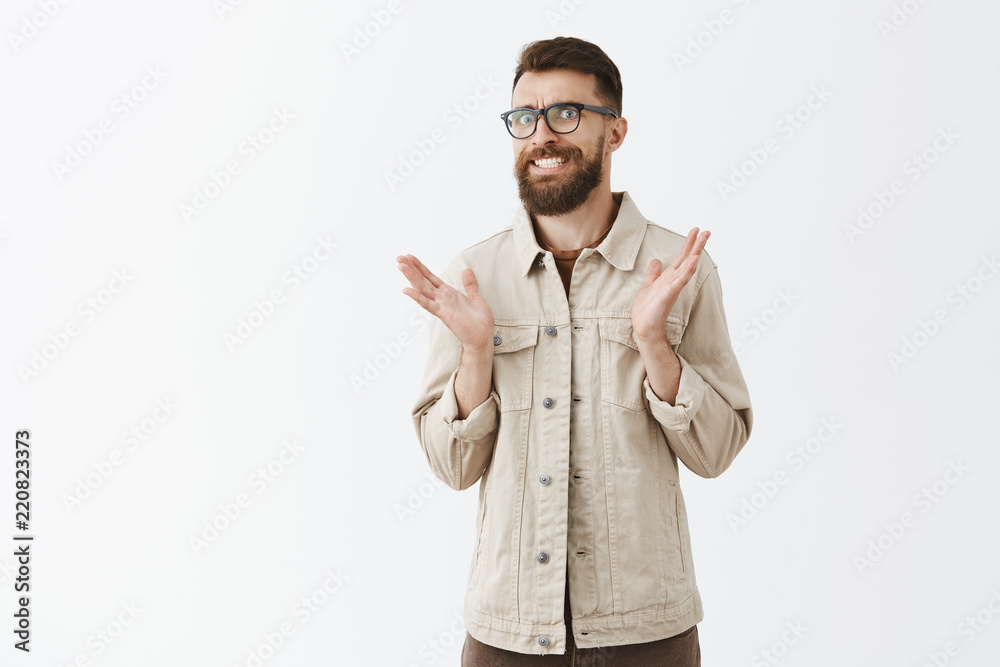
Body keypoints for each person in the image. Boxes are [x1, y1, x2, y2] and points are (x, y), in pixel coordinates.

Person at [398, 36, 753, 666]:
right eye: (524, 118)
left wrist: (654, 346)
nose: (542, 135)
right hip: (507, 632)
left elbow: (717, 450)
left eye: (565, 114)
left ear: (614, 133)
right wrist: (477, 353)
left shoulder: (679, 270)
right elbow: (451, 467)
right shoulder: (474, 276)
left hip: (646, 632)